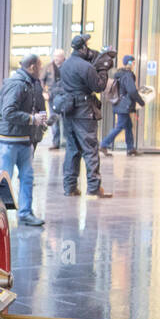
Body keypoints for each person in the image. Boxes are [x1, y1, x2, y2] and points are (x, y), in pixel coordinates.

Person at [0, 53, 48, 226]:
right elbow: (8, 112)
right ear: (32, 67)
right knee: (6, 179)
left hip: (24, 139)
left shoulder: (31, 83)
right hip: (9, 139)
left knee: (27, 177)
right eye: (40, 66)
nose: (41, 70)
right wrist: (32, 119)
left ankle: (25, 213)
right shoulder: (17, 84)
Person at [56, 34, 113, 198]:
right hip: (84, 113)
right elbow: (99, 86)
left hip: (69, 111)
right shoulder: (85, 67)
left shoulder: (65, 65)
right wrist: (102, 68)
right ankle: (94, 188)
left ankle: (70, 187)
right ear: (82, 48)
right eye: (87, 46)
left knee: (72, 150)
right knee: (90, 149)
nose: (89, 49)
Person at [99, 55, 146, 156]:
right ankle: (104, 144)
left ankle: (130, 148)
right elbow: (132, 90)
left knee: (128, 126)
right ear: (129, 63)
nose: (134, 64)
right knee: (120, 126)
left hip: (119, 103)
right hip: (124, 105)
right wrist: (141, 101)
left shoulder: (120, 74)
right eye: (133, 62)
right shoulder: (127, 75)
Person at [41, 48, 65, 149]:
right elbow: (41, 80)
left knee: (66, 119)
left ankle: (68, 142)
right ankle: (56, 142)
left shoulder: (68, 66)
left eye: (58, 57)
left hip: (65, 96)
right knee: (54, 118)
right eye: (55, 56)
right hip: (52, 96)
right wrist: (44, 92)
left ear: (63, 57)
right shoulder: (48, 67)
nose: (56, 59)